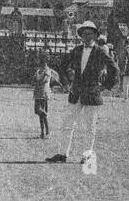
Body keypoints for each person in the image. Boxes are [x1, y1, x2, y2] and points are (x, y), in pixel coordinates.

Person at [45, 20, 118, 166]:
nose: (87, 37)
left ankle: (87, 155)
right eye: (84, 34)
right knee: (67, 123)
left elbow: (114, 69)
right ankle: (62, 153)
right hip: (76, 91)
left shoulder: (100, 51)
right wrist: (66, 83)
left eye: (90, 34)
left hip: (92, 92)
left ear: (95, 36)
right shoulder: (77, 50)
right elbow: (62, 64)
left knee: (89, 126)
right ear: (81, 36)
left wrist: (104, 87)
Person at [32, 51, 58, 139]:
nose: (41, 61)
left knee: (40, 111)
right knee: (39, 113)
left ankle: (47, 131)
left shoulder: (47, 70)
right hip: (37, 92)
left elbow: (44, 80)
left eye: (42, 59)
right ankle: (43, 132)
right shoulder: (39, 70)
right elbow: (34, 80)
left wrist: (36, 80)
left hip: (43, 93)